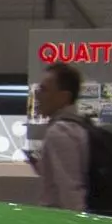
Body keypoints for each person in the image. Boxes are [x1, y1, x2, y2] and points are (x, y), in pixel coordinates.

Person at [27, 63, 93, 212]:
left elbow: (71, 190)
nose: (37, 95)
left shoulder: (59, 132)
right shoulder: (78, 126)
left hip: (59, 222)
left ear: (64, 97)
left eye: (44, 90)